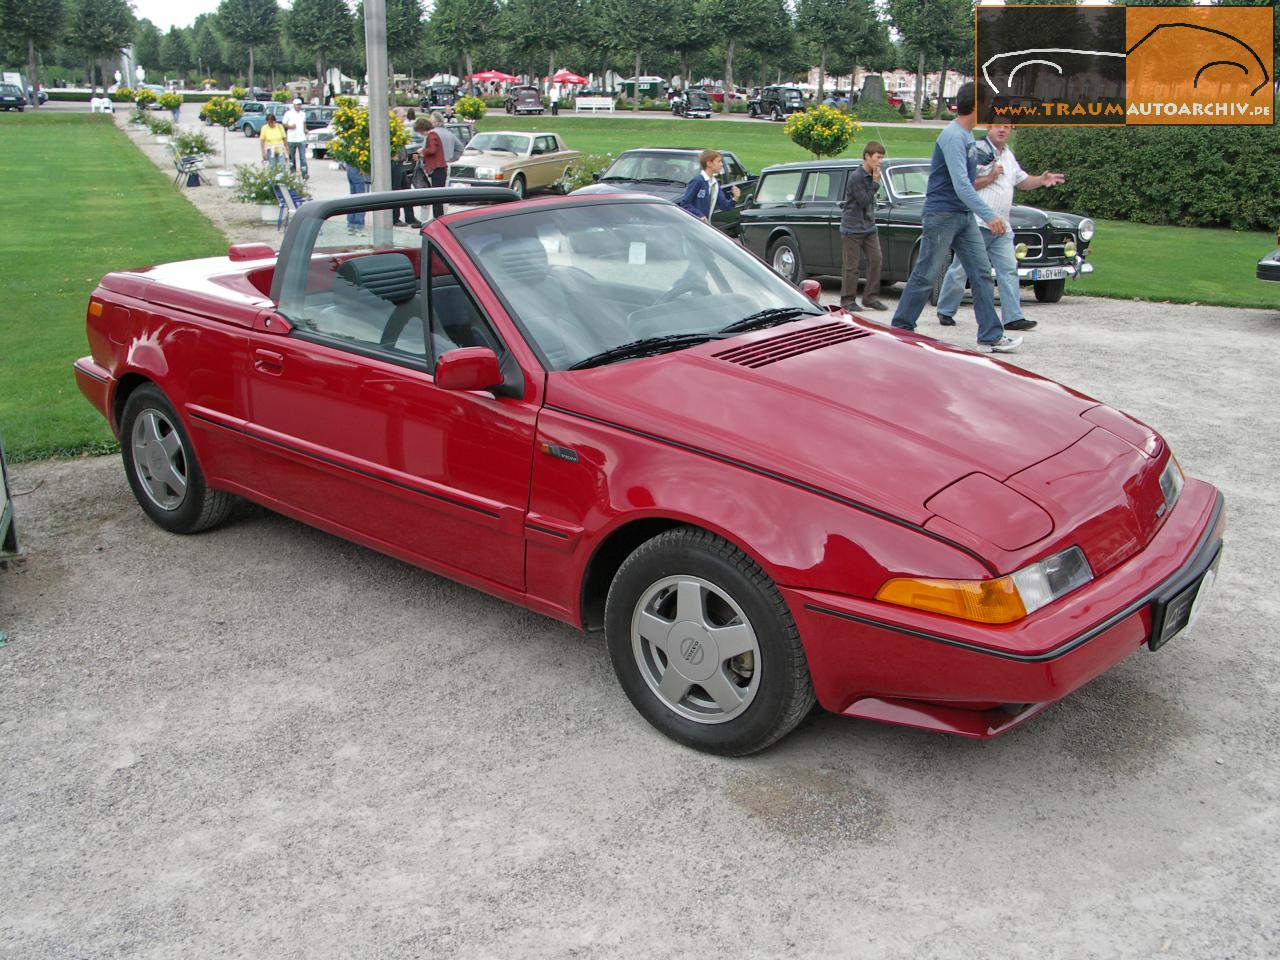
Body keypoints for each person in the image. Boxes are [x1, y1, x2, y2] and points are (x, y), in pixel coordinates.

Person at [888, 82, 1021, 354]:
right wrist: (989, 214)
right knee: (926, 274)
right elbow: (962, 185)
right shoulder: (952, 136)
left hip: (962, 215)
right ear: (976, 106)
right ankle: (900, 331)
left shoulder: (967, 138)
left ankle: (990, 336)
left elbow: (968, 182)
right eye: (988, 103)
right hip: (941, 215)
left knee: (982, 273)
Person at [935, 123, 1065, 331]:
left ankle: (1012, 317)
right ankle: (946, 310)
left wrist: (1041, 180)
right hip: (977, 223)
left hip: (1002, 225)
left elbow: (1022, 181)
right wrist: (990, 176)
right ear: (989, 128)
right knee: (962, 269)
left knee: (1008, 269)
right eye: (998, 126)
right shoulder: (977, 151)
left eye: (1007, 127)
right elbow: (964, 184)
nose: (1002, 130)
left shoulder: (1008, 155)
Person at [839, 141, 887, 311]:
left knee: (876, 259)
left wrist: (874, 182)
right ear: (867, 156)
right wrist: (875, 183)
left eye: (882, 157)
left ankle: (870, 297)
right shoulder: (857, 177)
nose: (880, 161)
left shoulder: (872, 174)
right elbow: (863, 201)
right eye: (878, 157)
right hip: (852, 227)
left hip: (869, 226)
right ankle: (847, 300)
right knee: (851, 266)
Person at [676, 149, 741, 223]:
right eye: (719, 161)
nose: (721, 164)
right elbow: (685, 203)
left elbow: (725, 206)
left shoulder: (715, 183)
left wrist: (735, 198)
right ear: (709, 163)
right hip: (694, 224)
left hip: (706, 225)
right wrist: (700, 215)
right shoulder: (698, 181)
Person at [411, 113, 450, 221]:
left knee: (437, 198)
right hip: (438, 169)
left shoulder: (432, 136)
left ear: (422, 129)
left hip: (438, 169)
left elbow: (432, 150)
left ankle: (438, 219)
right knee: (437, 197)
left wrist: (422, 151)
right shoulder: (433, 135)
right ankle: (438, 218)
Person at [281, 98, 309, 179]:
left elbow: (304, 123)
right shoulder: (288, 113)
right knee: (292, 158)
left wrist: (305, 129)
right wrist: (290, 126)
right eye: (297, 105)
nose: (299, 106)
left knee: (303, 158)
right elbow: (283, 124)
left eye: (300, 105)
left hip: (301, 139)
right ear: (294, 105)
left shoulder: (303, 114)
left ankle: (304, 173)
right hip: (291, 139)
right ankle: (293, 173)